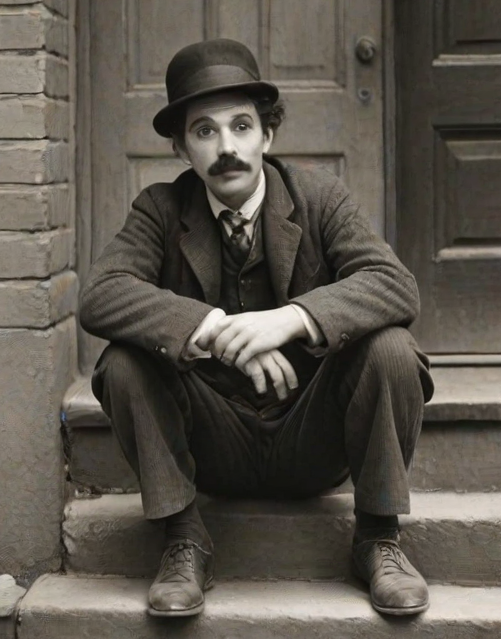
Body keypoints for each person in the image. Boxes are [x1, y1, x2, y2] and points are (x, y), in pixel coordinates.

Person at [79, 38, 434, 619]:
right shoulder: (160, 209)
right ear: (181, 147)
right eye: (205, 131)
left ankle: (377, 537)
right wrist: (215, 327)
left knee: (393, 348)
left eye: (242, 127)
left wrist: (290, 319)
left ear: (267, 134)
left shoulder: (319, 196)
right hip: (212, 443)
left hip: (312, 435)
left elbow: (395, 285)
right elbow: (101, 295)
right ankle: (183, 539)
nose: (227, 148)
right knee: (121, 362)